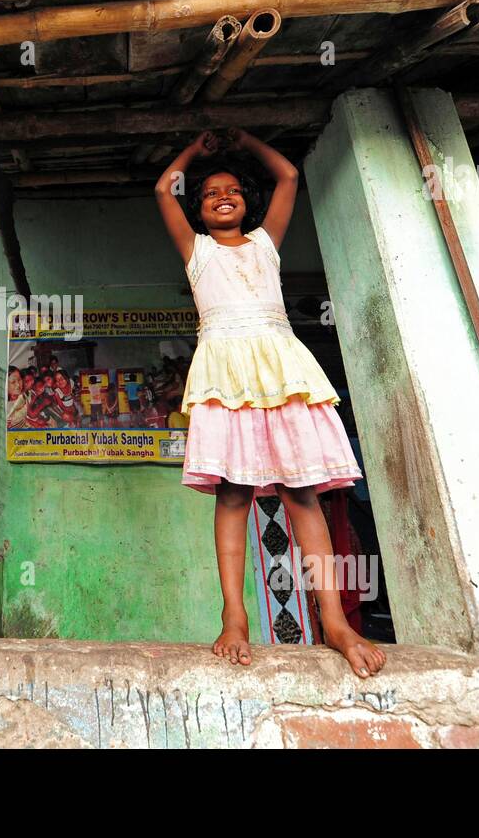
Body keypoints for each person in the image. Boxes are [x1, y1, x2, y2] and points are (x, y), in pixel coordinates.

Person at [154, 128, 385, 679]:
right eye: (210, 193)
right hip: (225, 374)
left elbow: (288, 175)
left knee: (301, 495)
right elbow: (166, 188)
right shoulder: (197, 250)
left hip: (281, 370)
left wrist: (244, 140)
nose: (222, 197)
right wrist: (194, 152)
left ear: (247, 201)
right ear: (200, 209)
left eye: (232, 190)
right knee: (232, 496)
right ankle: (234, 616)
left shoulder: (265, 243)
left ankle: (334, 620)